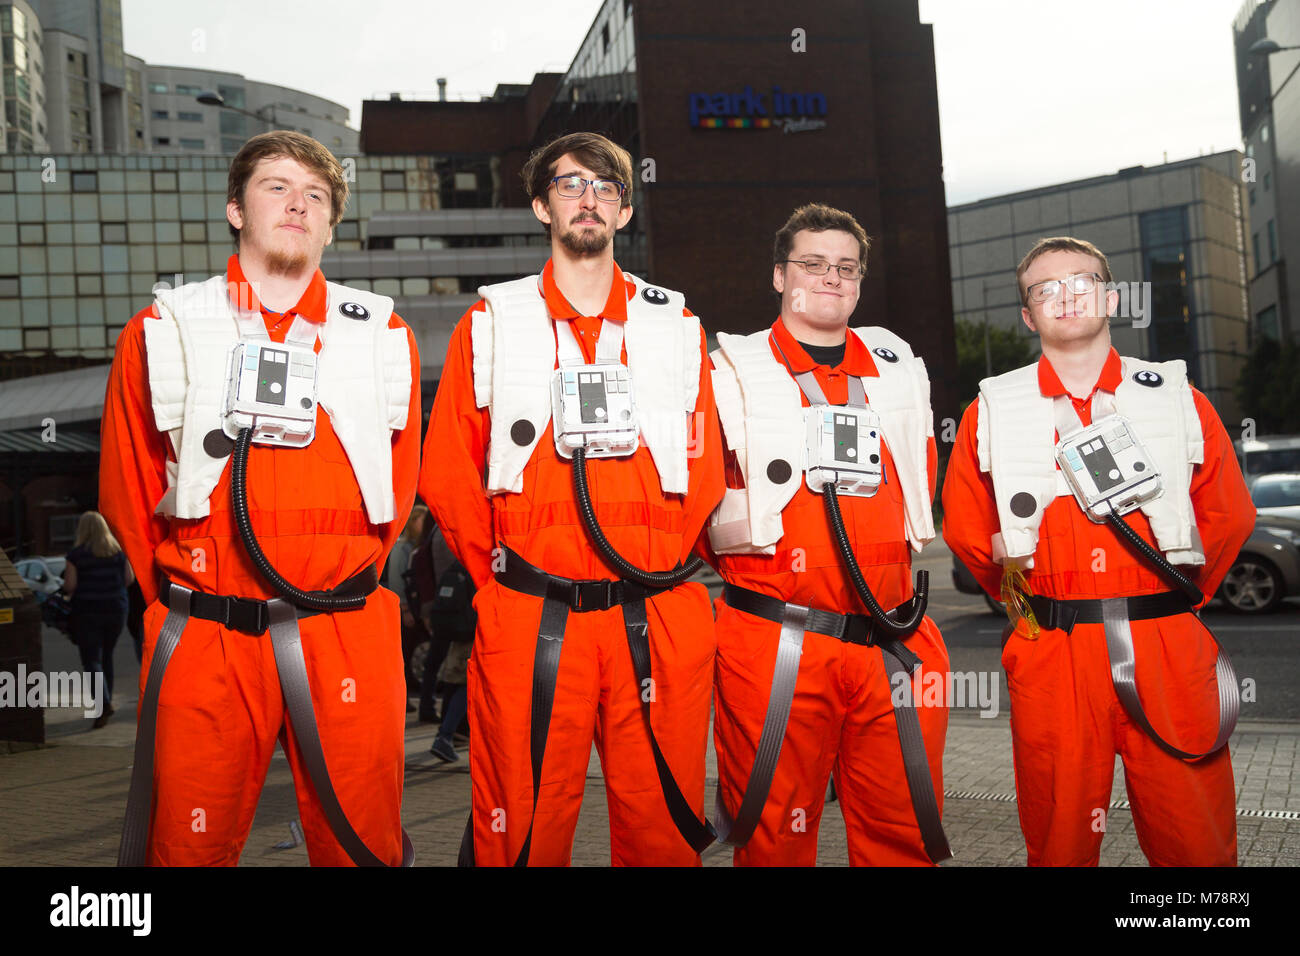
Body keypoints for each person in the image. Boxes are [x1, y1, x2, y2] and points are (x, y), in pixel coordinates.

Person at [99, 130, 421, 867]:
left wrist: (344, 582)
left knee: (362, 844)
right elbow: (128, 484)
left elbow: (398, 488)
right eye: (276, 186)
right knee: (186, 846)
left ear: (332, 224)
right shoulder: (164, 330)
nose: (297, 203)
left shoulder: (382, 333)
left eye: (315, 195)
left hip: (346, 627)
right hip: (208, 634)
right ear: (235, 211)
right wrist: (190, 598)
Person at [421, 131, 724, 866]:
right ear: (539, 205)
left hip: (652, 614)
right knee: (520, 826)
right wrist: (504, 577)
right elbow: (447, 471)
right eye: (570, 184)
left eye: (606, 188)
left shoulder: (674, 324)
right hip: (531, 614)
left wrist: (655, 566)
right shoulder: (493, 323)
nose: (589, 199)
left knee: (661, 828)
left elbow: (707, 464)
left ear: (623, 212)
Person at [942, 236, 1255, 866]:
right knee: (1060, 841)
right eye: (1045, 288)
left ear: (1111, 297)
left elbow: (1227, 514)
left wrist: (1170, 603)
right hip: (1055, 650)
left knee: (1195, 840)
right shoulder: (992, 412)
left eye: (1082, 281)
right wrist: (1037, 609)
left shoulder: (1174, 398)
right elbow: (971, 533)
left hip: (1167, 642)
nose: (1066, 296)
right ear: (1028, 316)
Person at [703, 203, 950, 866]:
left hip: (893, 639)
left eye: (846, 268)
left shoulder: (897, 372)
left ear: (861, 282)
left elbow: (918, 483)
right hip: (776, 639)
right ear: (780, 276)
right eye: (813, 264)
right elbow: (698, 498)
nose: (830, 278)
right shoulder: (729, 375)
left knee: (903, 835)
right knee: (774, 836)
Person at [64, 511, 135, 729]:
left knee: (92, 660)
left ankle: (102, 704)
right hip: (116, 610)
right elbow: (129, 579)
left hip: (88, 612)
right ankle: (106, 702)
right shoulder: (118, 553)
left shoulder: (76, 555)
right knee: (107, 657)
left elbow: (70, 586)